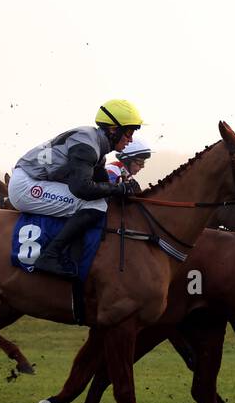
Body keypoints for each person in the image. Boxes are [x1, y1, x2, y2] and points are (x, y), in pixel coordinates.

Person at [9, 99, 144, 277]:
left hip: (33, 179)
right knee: (95, 205)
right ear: (113, 129)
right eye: (128, 133)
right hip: (25, 186)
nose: (130, 139)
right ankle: (49, 255)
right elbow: (82, 189)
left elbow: (104, 185)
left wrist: (125, 190)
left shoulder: (96, 145)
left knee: (101, 201)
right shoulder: (87, 146)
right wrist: (119, 189)